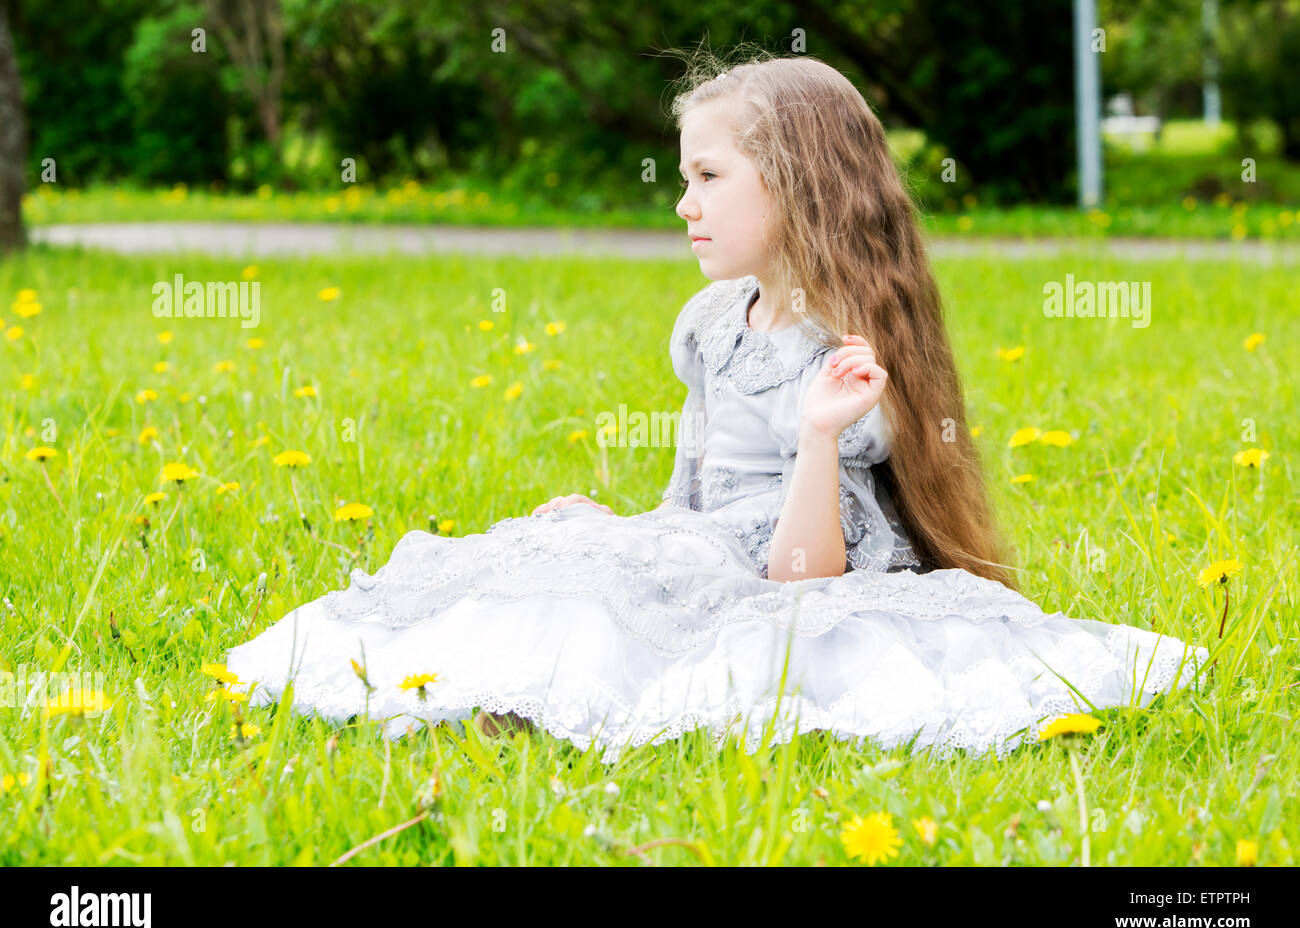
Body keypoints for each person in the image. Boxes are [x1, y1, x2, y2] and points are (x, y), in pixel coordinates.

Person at [225, 54, 1207, 764]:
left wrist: (818, 433)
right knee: (555, 555)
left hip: (771, 555)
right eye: (683, 177)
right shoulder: (708, 321)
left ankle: (532, 705)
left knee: (639, 599)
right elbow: (687, 491)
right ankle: (475, 690)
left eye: (708, 178)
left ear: (795, 183)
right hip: (704, 540)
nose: (683, 204)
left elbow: (803, 573)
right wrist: (633, 529)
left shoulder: (845, 363)